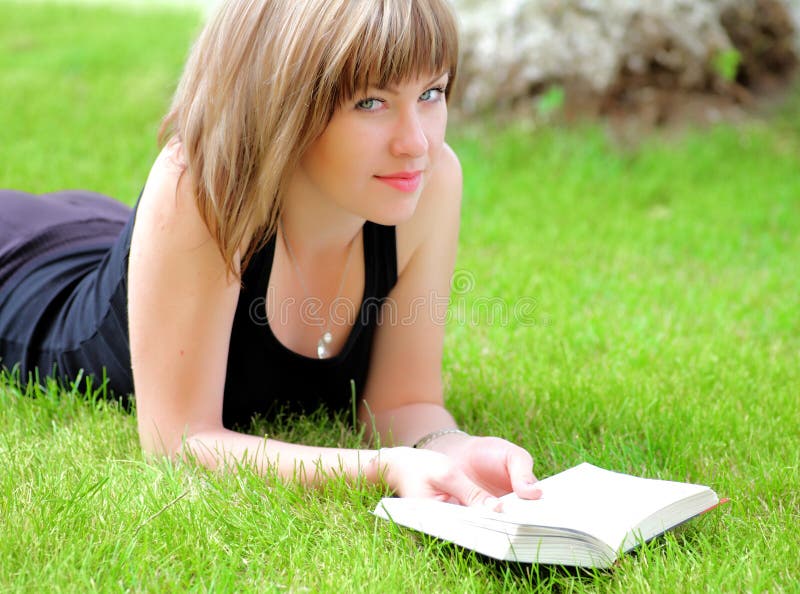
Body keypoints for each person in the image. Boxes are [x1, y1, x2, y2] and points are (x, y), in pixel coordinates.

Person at [0, 0, 541, 508]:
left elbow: (401, 402)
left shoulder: (431, 179)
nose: (416, 143)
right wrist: (381, 470)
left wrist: (452, 447)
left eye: (432, 93)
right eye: (371, 102)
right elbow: (177, 444)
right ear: (282, 102)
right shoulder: (203, 181)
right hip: (24, 266)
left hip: (116, 231)